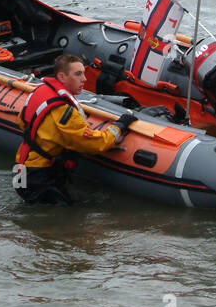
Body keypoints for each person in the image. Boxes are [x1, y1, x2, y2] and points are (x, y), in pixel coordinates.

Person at [14, 54, 138, 205]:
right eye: (78, 74)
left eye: (84, 73)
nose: (84, 79)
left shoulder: (40, 91)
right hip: (38, 177)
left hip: (21, 170)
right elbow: (94, 143)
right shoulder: (64, 111)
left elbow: (22, 121)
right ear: (62, 77)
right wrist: (119, 126)